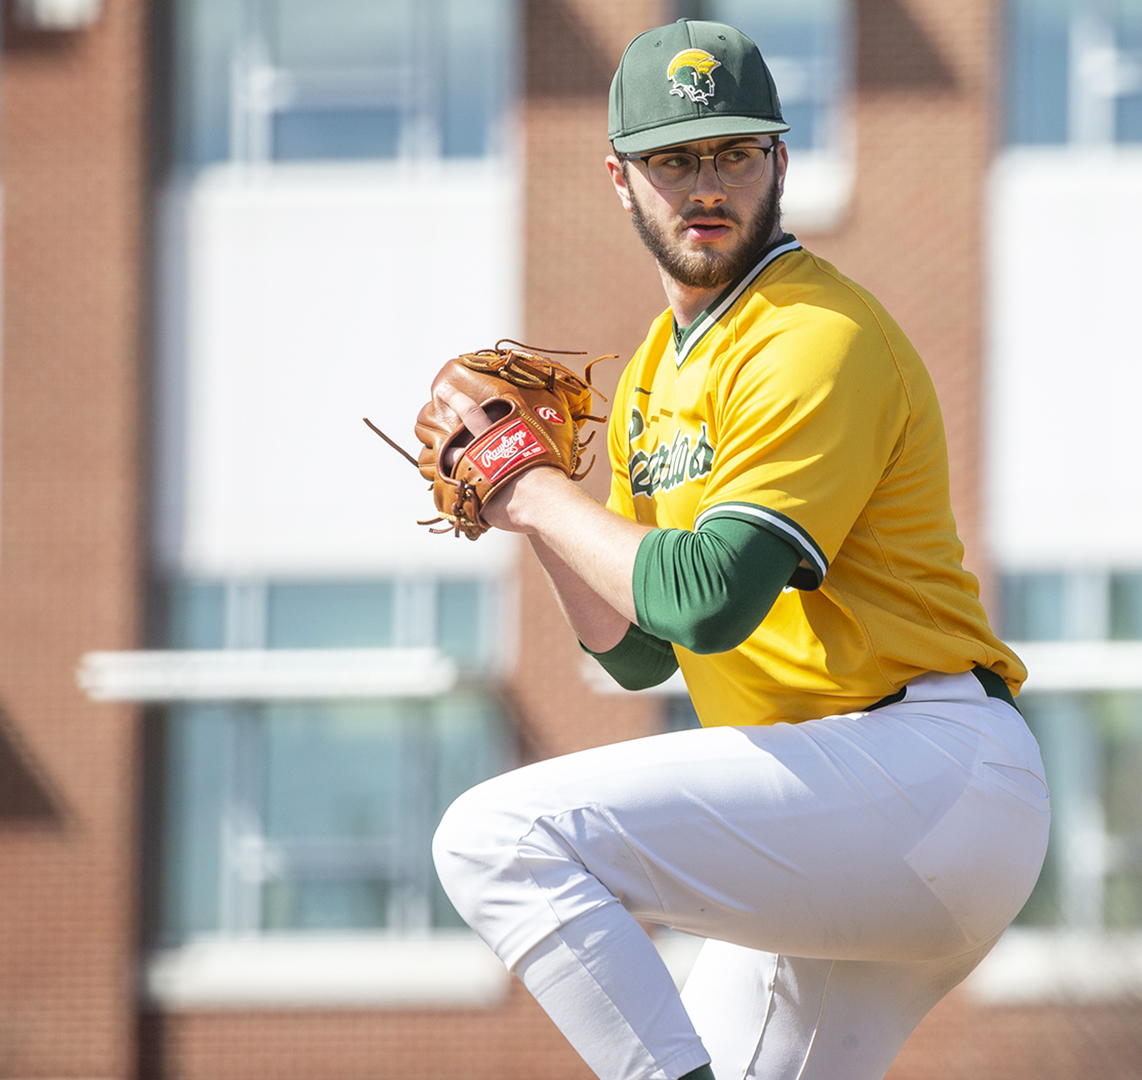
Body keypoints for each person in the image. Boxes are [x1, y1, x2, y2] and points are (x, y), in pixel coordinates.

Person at [429, 19, 1049, 1080]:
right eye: (674, 159)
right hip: (829, 808)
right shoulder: (657, 377)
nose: (706, 184)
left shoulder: (816, 333)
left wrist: (530, 491)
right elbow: (638, 650)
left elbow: (710, 600)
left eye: (733, 152)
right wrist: (522, 502)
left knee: (497, 837)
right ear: (620, 178)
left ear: (780, 162)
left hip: (926, 773)